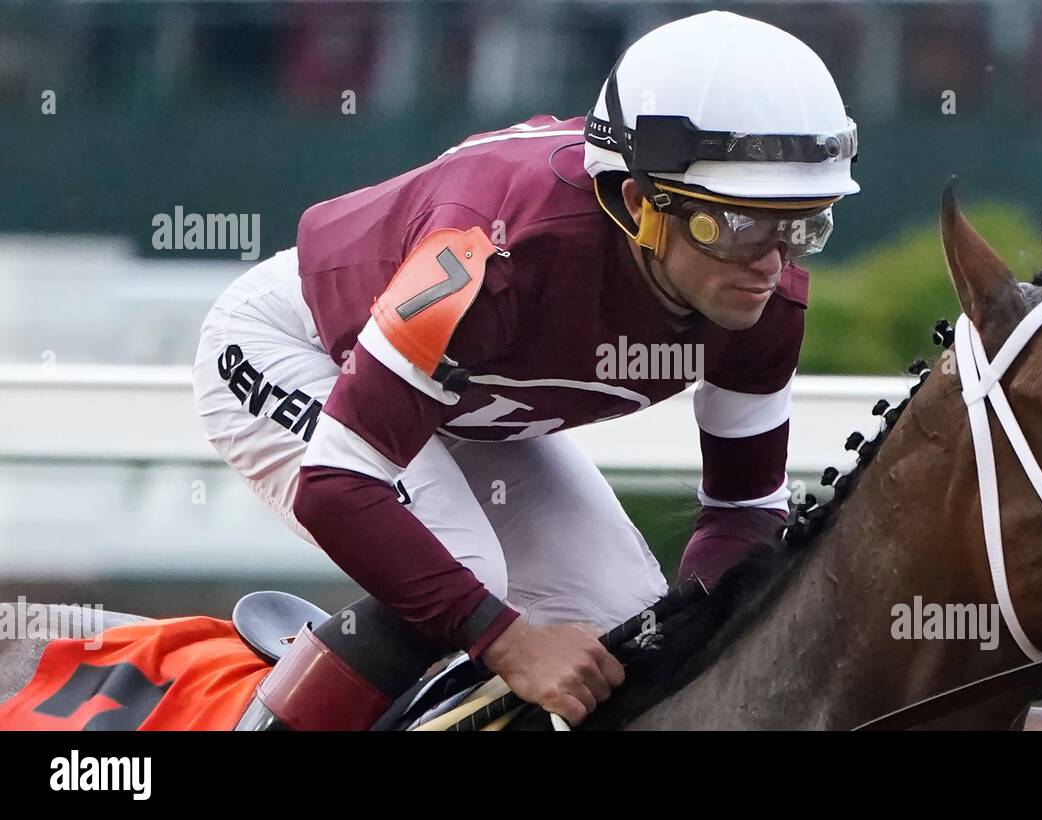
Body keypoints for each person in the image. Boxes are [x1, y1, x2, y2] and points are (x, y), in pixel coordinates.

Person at [192, 9, 859, 730]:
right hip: (301, 347)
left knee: (628, 624)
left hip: (455, 395)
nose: (771, 263)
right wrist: (505, 641)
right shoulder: (494, 259)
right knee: (472, 579)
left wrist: (691, 648)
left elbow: (743, 512)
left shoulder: (768, 301)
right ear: (638, 203)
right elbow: (339, 486)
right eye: (736, 224)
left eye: (801, 224)